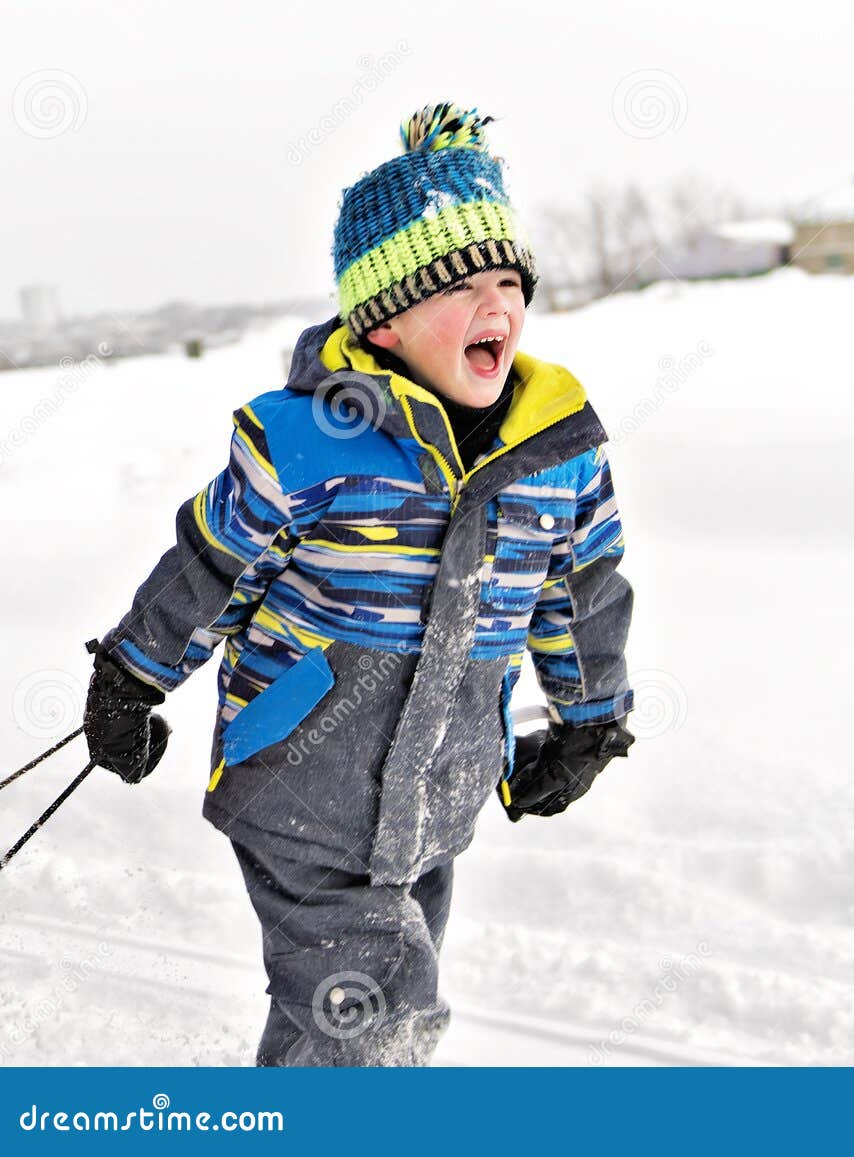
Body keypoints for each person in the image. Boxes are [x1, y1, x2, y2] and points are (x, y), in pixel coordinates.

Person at [80, 102, 637, 1066]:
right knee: (378, 1015)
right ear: (381, 321)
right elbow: (213, 561)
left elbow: (579, 588)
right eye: (459, 286)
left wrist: (589, 717)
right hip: (299, 784)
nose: (495, 304)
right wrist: (134, 672)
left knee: (328, 1021)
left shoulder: (555, 450)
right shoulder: (312, 440)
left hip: (440, 793)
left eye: (508, 280)